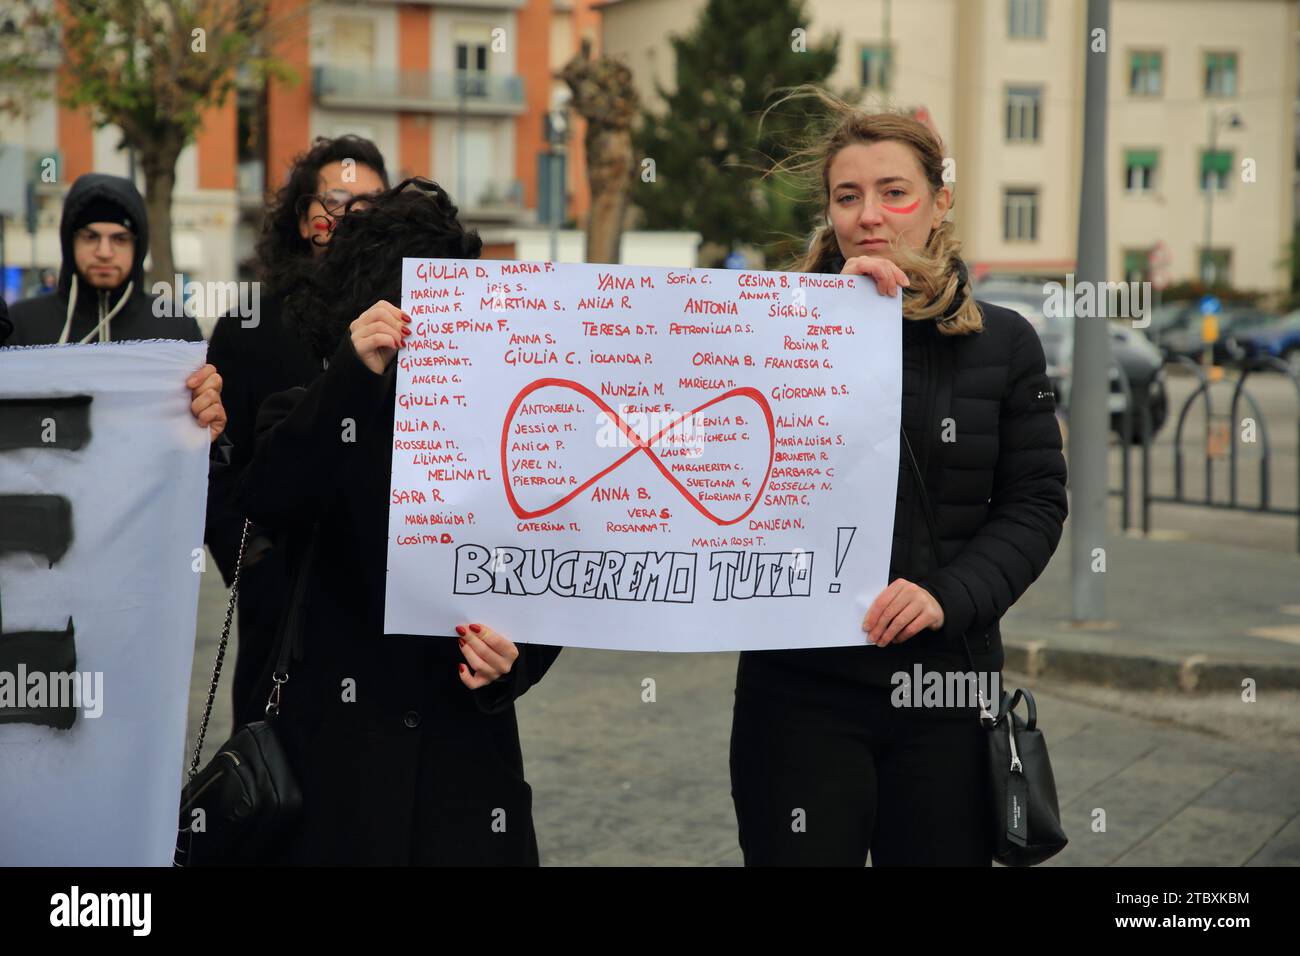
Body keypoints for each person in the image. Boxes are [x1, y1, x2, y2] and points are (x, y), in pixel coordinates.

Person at [728, 89, 1069, 866]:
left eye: (894, 193)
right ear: (829, 211)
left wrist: (946, 596)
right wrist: (838, 326)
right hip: (799, 693)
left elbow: (1036, 502)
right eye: (848, 197)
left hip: (944, 691)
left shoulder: (1005, 343)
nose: (870, 215)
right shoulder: (768, 332)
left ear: (938, 203)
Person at [236, 177, 561, 865]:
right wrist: (353, 376)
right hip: (336, 787)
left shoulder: (508, 434)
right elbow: (270, 495)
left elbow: (550, 573)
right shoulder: (306, 409)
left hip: (467, 784)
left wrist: (515, 663)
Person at [205, 135, 389, 729]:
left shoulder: (412, 322)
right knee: (272, 783)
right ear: (305, 216)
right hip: (280, 610)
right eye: (336, 200)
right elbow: (215, 455)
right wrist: (250, 560)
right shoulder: (248, 325)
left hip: (378, 607)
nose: (352, 217)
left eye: (371, 206)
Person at [3, 173, 226, 441]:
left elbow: (205, 450)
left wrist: (209, 430)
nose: (105, 252)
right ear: (69, 241)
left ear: (138, 244)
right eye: (90, 237)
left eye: (120, 239)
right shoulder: (23, 323)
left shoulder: (174, 325)